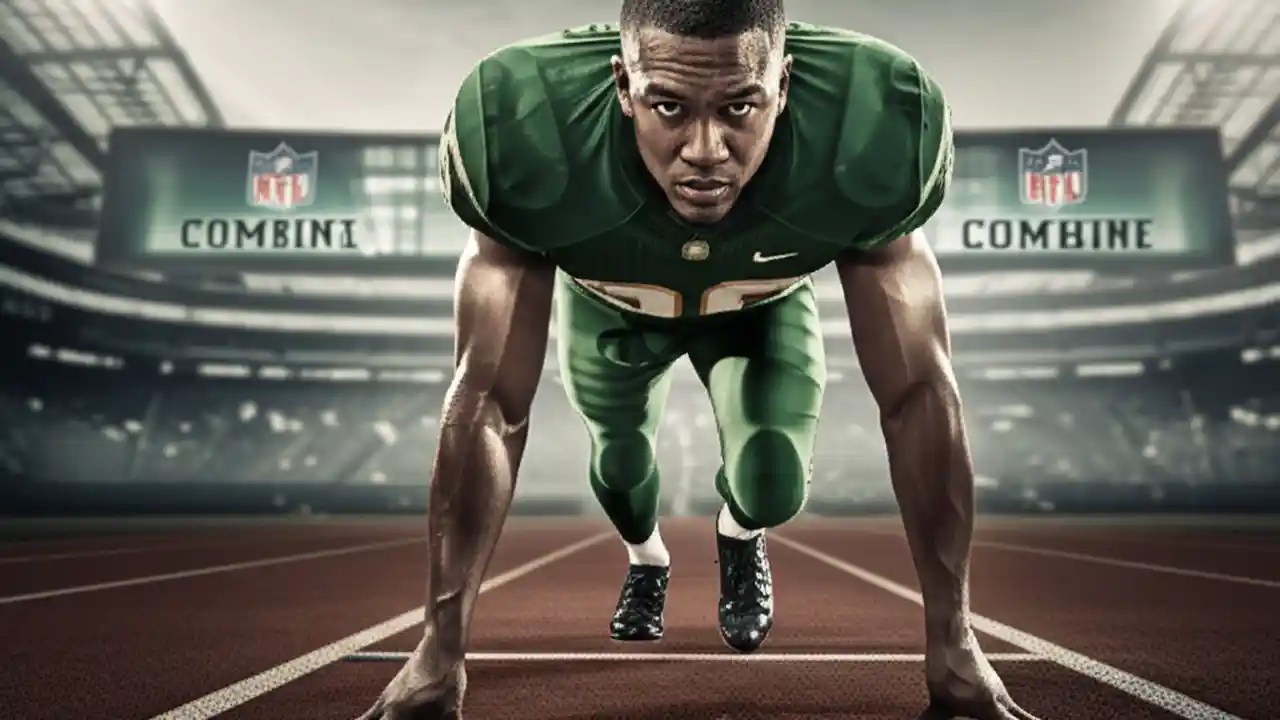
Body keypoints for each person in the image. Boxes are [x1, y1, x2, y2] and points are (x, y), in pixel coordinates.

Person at [359, 1, 1039, 718]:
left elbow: (921, 393)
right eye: (670, 106)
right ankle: (648, 559)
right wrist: (440, 647)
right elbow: (488, 401)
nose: (707, 148)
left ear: (786, 84)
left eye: (741, 105)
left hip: (759, 308)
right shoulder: (526, 129)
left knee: (774, 480)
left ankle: (738, 533)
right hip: (613, 313)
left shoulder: (869, 130)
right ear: (623, 86)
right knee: (620, 470)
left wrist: (954, 639)